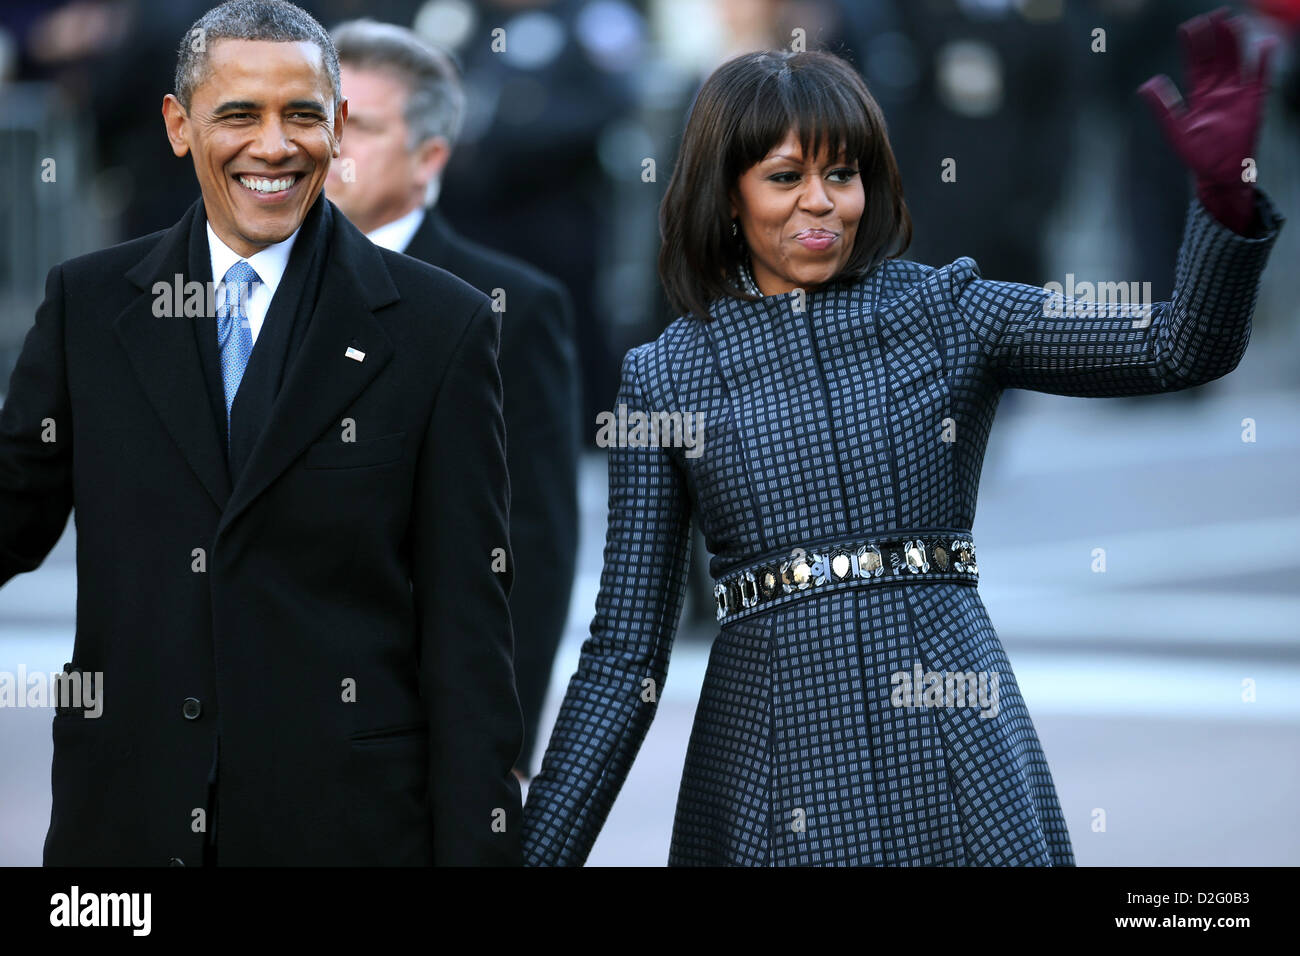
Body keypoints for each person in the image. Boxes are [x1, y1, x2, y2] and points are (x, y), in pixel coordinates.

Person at [522, 10, 1283, 866]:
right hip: (767, 761)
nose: (822, 202)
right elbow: (625, 657)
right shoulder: (667, 375)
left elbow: (1177, 346)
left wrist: (1224, 200)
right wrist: (534, 854)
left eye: (841, 173)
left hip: (956, 739)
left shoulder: (947, 310)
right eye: (784, 177)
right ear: (725, 195)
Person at [0, 0, 523, 866]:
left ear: (340, 125)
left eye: (303, 115)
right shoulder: (87, 309)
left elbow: (470, 638)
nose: (273, 146)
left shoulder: (442, 327)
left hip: (347, 833)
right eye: (239, 114)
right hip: (125, 833)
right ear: (178, 125)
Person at [324, 19, 580, 781]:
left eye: (359, 126)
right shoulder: (234, 287)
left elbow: (533, 540)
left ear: (429, 156)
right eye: (316, 118)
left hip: (408, 728)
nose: (328, 147)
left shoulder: (513, 308)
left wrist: (497, 747)